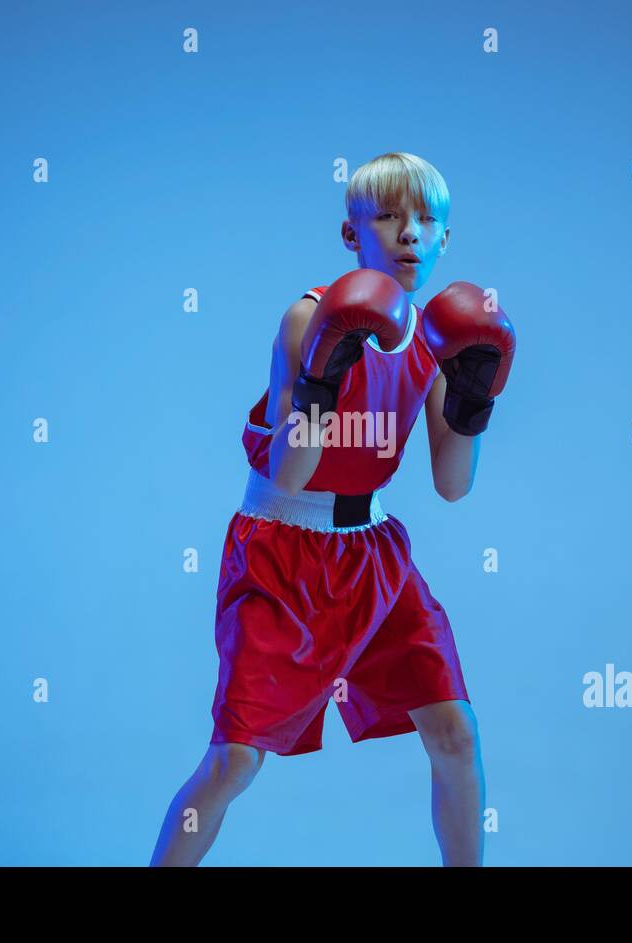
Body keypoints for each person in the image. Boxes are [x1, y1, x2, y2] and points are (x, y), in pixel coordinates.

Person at [149, 152, 516, 866]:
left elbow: (451, 483)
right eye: (387, 216)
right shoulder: (308, 316)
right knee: (234, 763)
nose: (409, 234)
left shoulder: (441, 338)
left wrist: (473, 400)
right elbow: (291, 467)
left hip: (374, 554)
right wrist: (325, 373)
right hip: (282, 550)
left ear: (445, 237)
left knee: (455, 732)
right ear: (352, 235)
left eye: (426, 220)